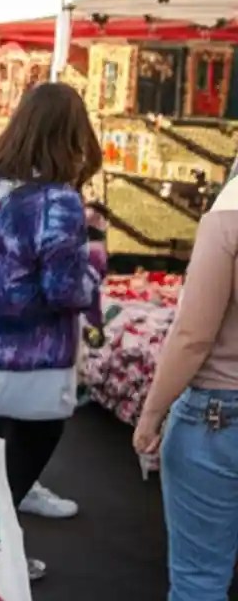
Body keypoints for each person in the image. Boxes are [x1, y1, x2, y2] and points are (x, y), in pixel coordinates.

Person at [0, 82, 101, 582]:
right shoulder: (58, 202)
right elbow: (63, 290)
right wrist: (95, 270)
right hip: (32, 358)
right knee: (24, 456)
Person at [134, 175, 238, 600]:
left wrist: (152, 414)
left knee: (200, 579)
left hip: (218, 413)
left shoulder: (230, 211)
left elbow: (193, 335)